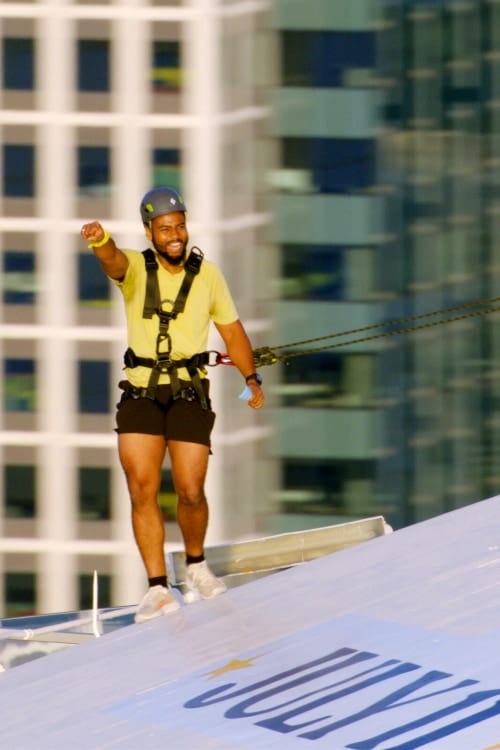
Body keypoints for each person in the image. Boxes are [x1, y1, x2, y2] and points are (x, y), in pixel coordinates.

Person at [80, 187, 265, 623]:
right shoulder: (136, 268)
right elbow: (113, 261)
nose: (175, 234)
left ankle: (196, 565)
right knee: (141, 487)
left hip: (188, 392)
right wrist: (99, 240)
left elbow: (232, 331)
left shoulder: (207, 274)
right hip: (142, 391)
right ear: (150, 233)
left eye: (180, 225)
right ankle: (157, 588)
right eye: (166, 229)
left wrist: (251, 377)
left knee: (190, 488)